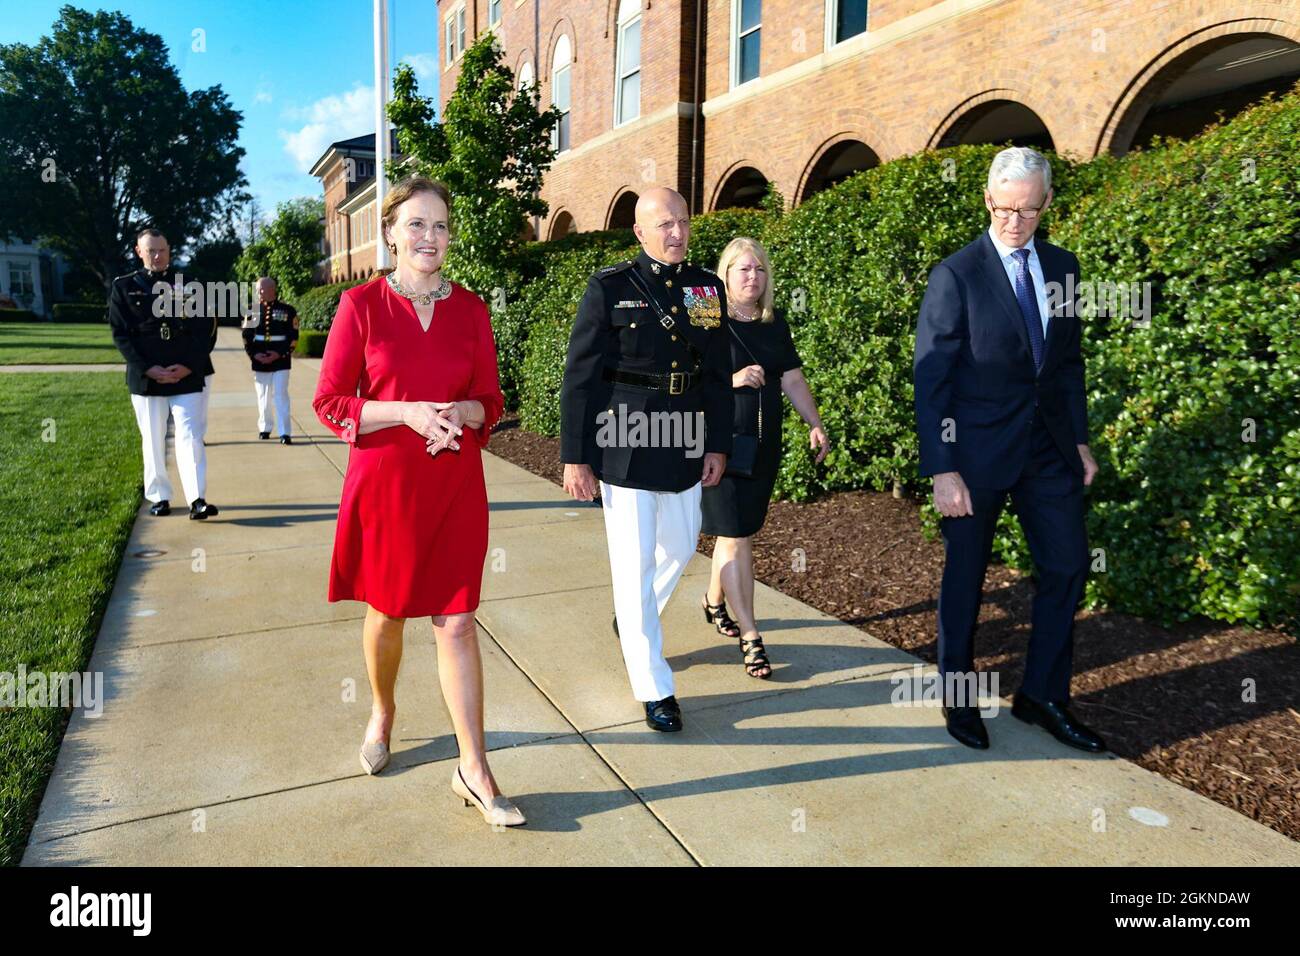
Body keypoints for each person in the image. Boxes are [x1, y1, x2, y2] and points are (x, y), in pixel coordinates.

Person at [312, 176, 523, 827]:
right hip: (387, 488)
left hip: (456, 484)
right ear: (391, 233)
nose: (428, 237)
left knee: (457, 622)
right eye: (415, 224)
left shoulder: (472, 310)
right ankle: (383, 709)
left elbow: (492, 400)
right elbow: (329, 401)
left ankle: (474, 767)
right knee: (388, 613)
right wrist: (404, 411)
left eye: (439, 226)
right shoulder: (361, 306)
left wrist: (460, 409)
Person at [914, 146, 1104, 753]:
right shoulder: (956, 275)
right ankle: (959, 698)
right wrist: (943, 469)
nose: (1015, 223)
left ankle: (1043, 696)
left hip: (1048, 450)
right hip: (973, 456)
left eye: (1028, 210)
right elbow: (932, 378)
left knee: (1069, 564)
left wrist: (1078, 439)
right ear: (988, 200)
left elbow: (1067, 365)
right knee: (966, 578)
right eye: (1004, 209)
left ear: (1047, 204)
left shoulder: (1064, 269)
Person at [560, 186, 733, 733]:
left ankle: (632, 617)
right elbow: (581, 376)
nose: (677, 232)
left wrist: (718, 442)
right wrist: (575, 457)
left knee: (681, 546)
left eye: (683, 221)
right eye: (665, 224)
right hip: (626, 436)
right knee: (632, 563)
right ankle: (655, 688)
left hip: (684, 433)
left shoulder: (706, 287)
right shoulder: (611, 287)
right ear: (640, 232)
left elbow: (716, 370)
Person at [700, 237, 830, 679]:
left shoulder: (774, 323)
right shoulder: (708, 320)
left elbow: (792, 377)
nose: (752, 277)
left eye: (759, 270)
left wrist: (814, 422)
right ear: (726, 274)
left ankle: (714, 601)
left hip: (762, 445)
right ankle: (751, 636)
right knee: (736, 536)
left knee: (734, 533)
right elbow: (685, 379)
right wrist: (732, 379)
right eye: (743, 270)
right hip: (719, 446)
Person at [108, 227, 219, 520]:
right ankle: (159, 496)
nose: (158, 256)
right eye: (151, 250)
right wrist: (147, 368)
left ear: (170, 251)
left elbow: (205, 331)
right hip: (147, 378)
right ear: (139, 252)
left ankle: (197, 499)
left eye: (163, 250)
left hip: (188, 374)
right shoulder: (123, 286)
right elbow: (120, 335)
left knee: (191, 436)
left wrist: (188, 366)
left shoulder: (190, 284)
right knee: (153, 438)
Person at [241, 277, 298, 443]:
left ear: (272, 290)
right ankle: (265, 428)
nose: (258, 293)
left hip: (281, 359)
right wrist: (253, 355)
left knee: (280, 395)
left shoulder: (288, 310)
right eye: (257, 290)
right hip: (259, 358)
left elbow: (293, 337)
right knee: (263, 396)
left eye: (261, 290)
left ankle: (285, 432)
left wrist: (280, 354)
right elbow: (246, 335)